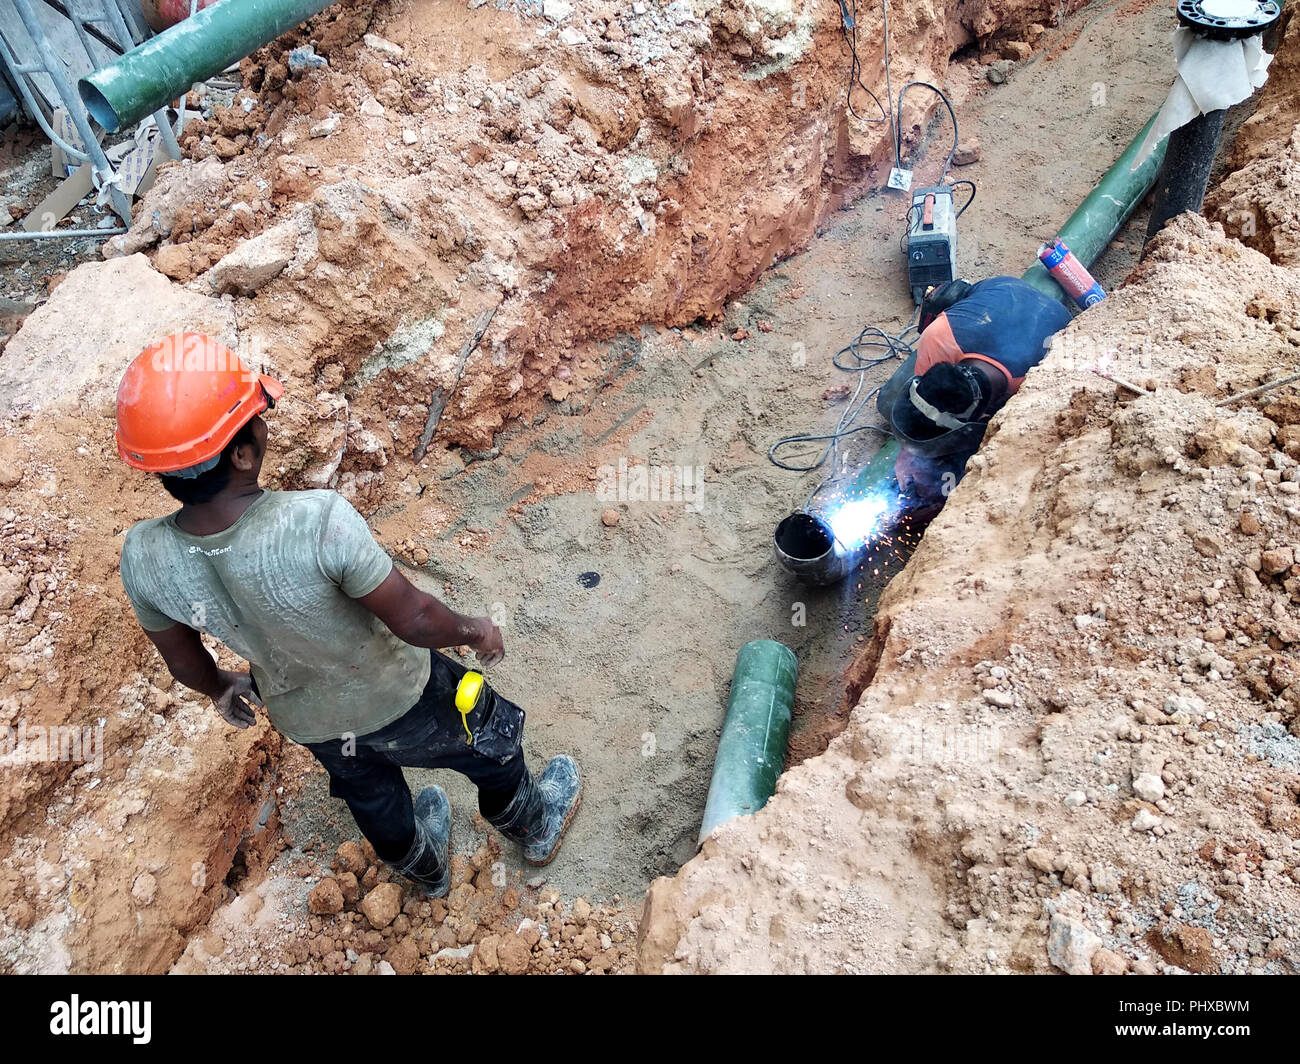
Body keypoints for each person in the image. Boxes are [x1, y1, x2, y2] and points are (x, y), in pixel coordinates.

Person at [114, 333, 581, 899]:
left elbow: (186, 664)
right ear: (240, 454)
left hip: (309, 719)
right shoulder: (314, 521)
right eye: (257, 418)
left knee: (370, 792)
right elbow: (415, 619)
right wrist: (474, 630)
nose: (265, 423)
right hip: (401, 691)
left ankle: (426, 872)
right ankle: (532, 821)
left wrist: (221, 685)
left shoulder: (142, 556)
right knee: (486, 737)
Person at [878, 276, 1073, 505]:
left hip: (1053, 315)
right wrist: (909, 451)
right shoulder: (938, 339)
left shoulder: (1035, 381)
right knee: (888, 401)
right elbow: (920, 409)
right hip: (1002, 290)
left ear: (979, 417)